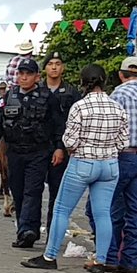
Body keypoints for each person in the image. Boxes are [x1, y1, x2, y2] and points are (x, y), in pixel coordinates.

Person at [21, 64, 125, 271]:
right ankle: (100, 260)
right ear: (104, 81)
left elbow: (69, 141)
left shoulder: (80, 107)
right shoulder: (117, 107)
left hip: (83, 162)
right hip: (109, 165)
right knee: (103, 213)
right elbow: (123, 142)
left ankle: (49, 257)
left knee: (61, 210)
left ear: (82, 82)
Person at [0, 57, 66, 249]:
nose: (24, 77)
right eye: (21, 73)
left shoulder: (48, 97)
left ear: (37, 77)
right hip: (14, 152)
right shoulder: (8, 97)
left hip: (39, 152)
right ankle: (25, 229)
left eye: (29, 74)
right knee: (18, 191)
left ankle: (27, 231)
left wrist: (59, 147)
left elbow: (58, 125)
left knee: (32, 190)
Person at [104, 56, 137, 273]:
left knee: (112, 208)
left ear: (121, 75)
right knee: (136, 210)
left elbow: (111, 128)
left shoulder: (118, 95)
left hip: (121, 156)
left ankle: (110, 257)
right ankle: (131, 261)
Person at [40, 51, 82, 234]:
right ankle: (28, 230)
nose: (54, 67)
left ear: (63, 67)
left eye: (58, 64)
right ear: (45, 68)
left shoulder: (72, 93)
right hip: (37, 147)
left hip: (62, 148)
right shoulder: (37, 89)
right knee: (31, 191)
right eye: (50, 64)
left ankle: (53, 231)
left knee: (57, 193)